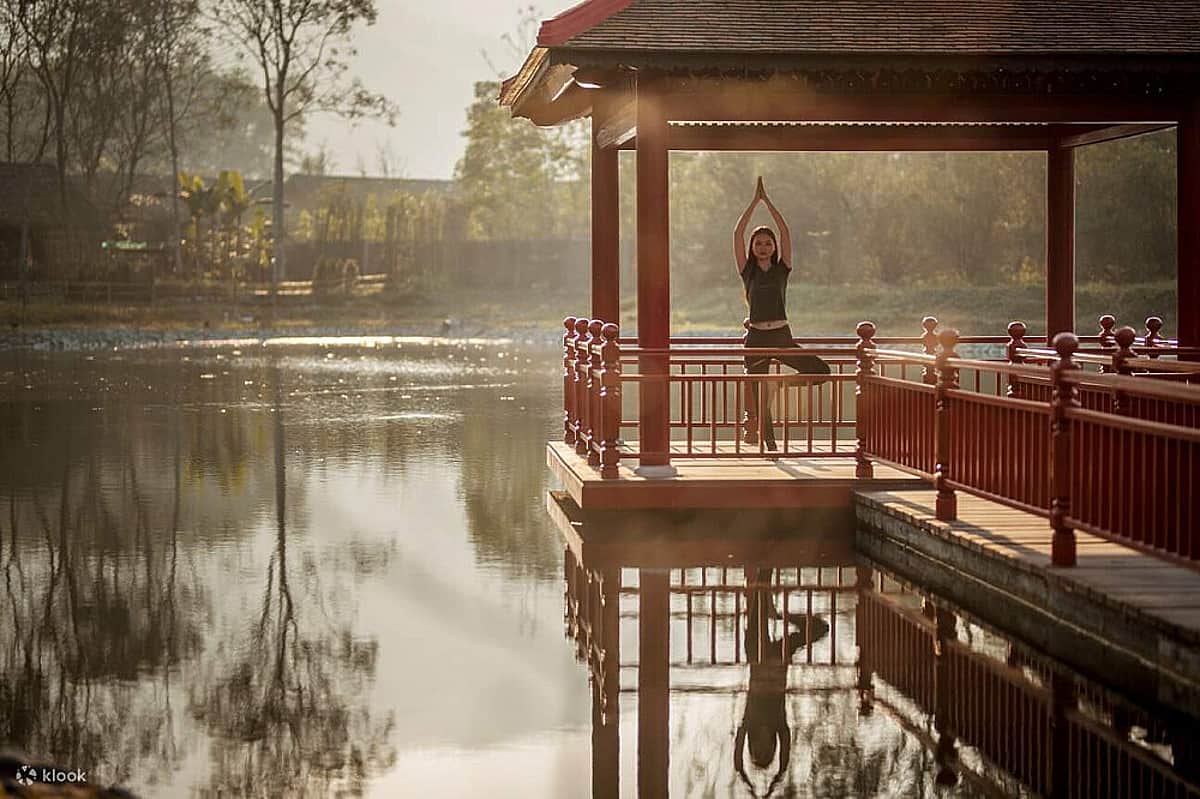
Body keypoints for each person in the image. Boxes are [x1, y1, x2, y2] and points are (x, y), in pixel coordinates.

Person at [733, 177, 830, 451]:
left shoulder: (782, 269)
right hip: (755, 339)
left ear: (774, 247)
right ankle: (771, 446)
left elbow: (785, 232)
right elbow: (737, 234)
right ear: (753, 248)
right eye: (759, 243)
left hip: (781, 336)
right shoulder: (747, 271)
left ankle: (780, 384)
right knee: (757, 394)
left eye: (767, 243)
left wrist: (769, 202)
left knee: (821, 371)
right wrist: (754, 203)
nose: (763, 247)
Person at [734, 567, 830, 796]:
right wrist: (776, 782)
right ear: (772, 746)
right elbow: (785, 758)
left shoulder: (749, 723)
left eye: (758, 749)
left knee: (756, 613)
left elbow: (737, 761)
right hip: (778, 658)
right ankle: (775, 611)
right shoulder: (780, 726)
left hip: (758, 655)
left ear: (753, 743)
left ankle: (764, 575)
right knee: (820, 628)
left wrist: (747, 783)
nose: (763, 745)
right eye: (766, 750)